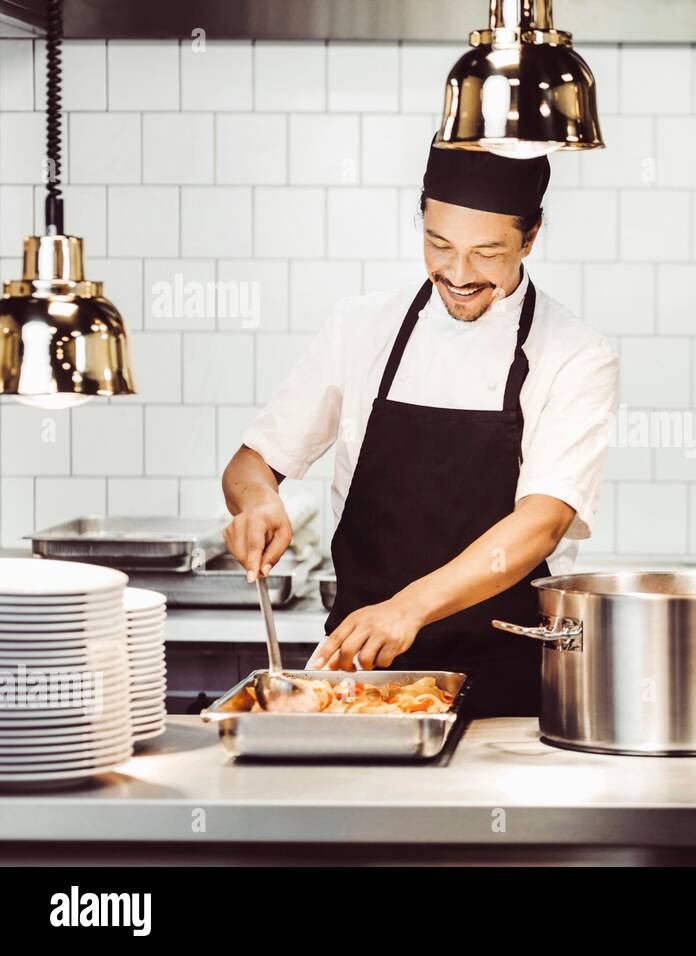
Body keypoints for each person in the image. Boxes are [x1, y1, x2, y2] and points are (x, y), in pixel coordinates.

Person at [220, 144, 618, 717]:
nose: (458, 275)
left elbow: (542, 522)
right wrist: (257, 504)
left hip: (512, 684)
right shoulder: (359, 327)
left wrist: (408, 608)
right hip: (361, 680)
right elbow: (251, 464)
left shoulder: (575, 354)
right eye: (439, 245)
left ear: (529, 239)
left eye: (487, 254)